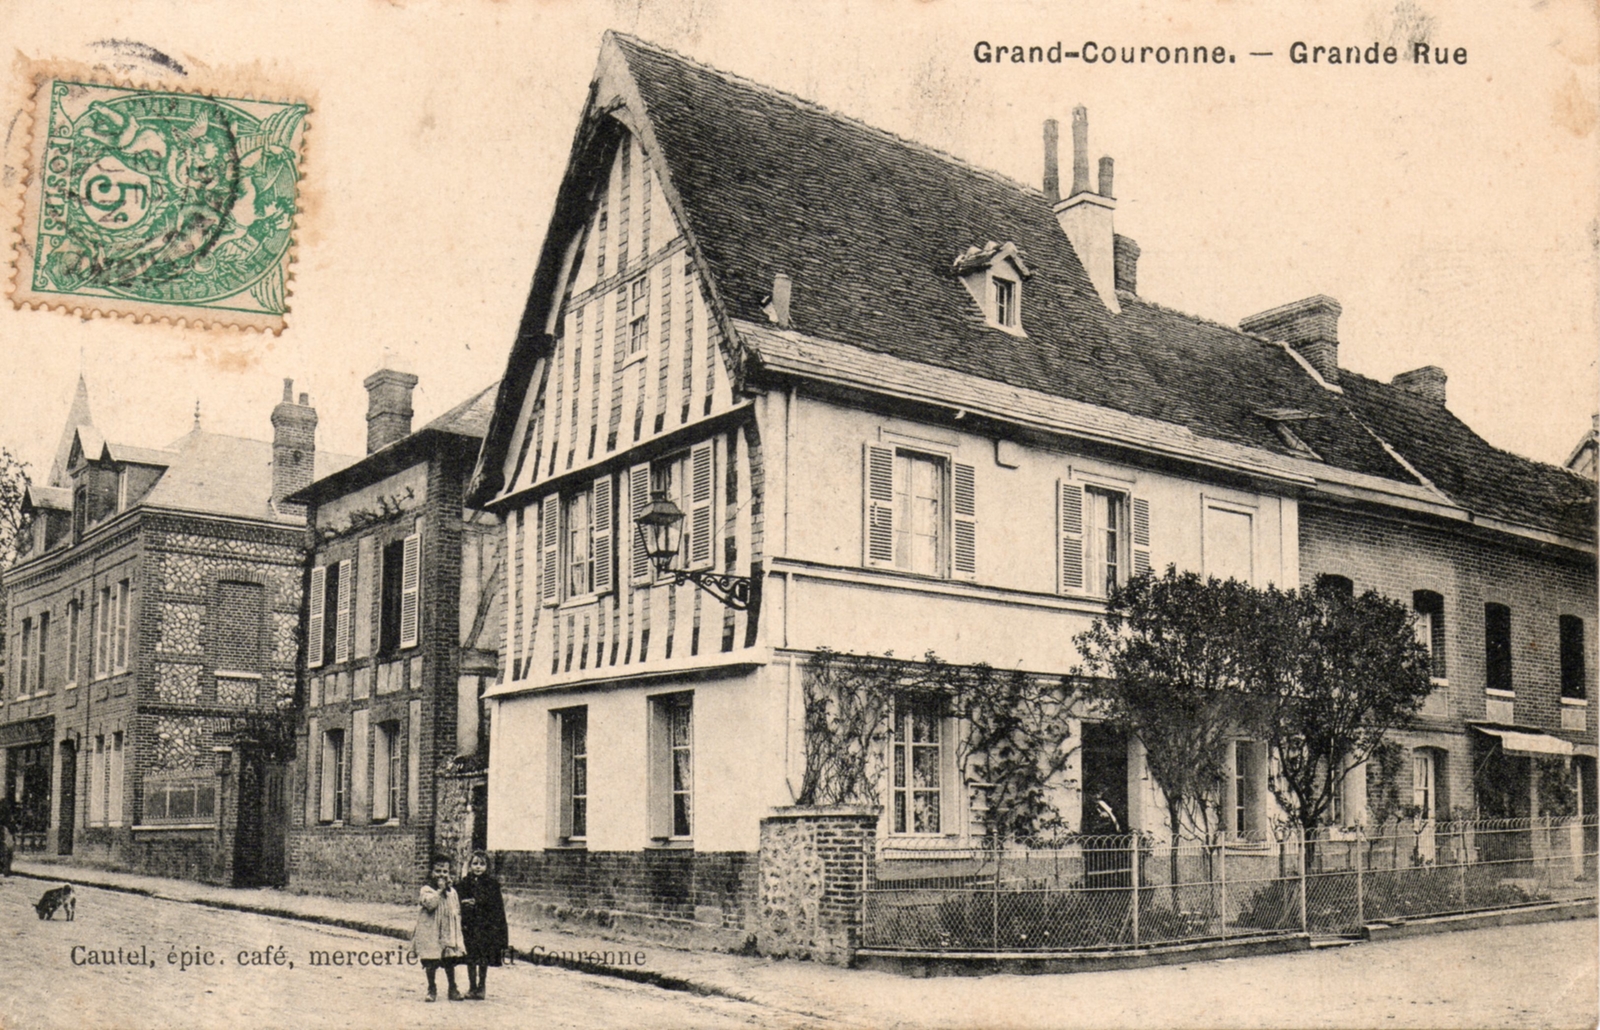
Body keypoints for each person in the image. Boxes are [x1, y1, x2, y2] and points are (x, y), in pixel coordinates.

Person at [456, 849, 509, 1000]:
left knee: (483, 957)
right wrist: (464, 902)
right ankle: (472, 986)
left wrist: (478, 902)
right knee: (471, 956)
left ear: (487, 866)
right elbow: (456, 898)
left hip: (485, 927)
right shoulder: (465, 882)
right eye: (475, 864)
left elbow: (496, 907)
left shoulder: (492, 885)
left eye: (482, 864)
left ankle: (481, 986)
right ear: (470, 866)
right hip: (469, 926)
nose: (478, 867)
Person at [412, 854, 465, 1001]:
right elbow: (430, 904)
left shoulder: (452, 892)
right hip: (431, 932)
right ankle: (431, 988)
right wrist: (440, 891)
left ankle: (452, 988)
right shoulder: (426, 890)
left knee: (449, 961)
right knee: (431, 960)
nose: (441, 875)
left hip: (447, 932)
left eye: (445, 872)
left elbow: (456, 910)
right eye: (438, 871)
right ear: (431, 872)